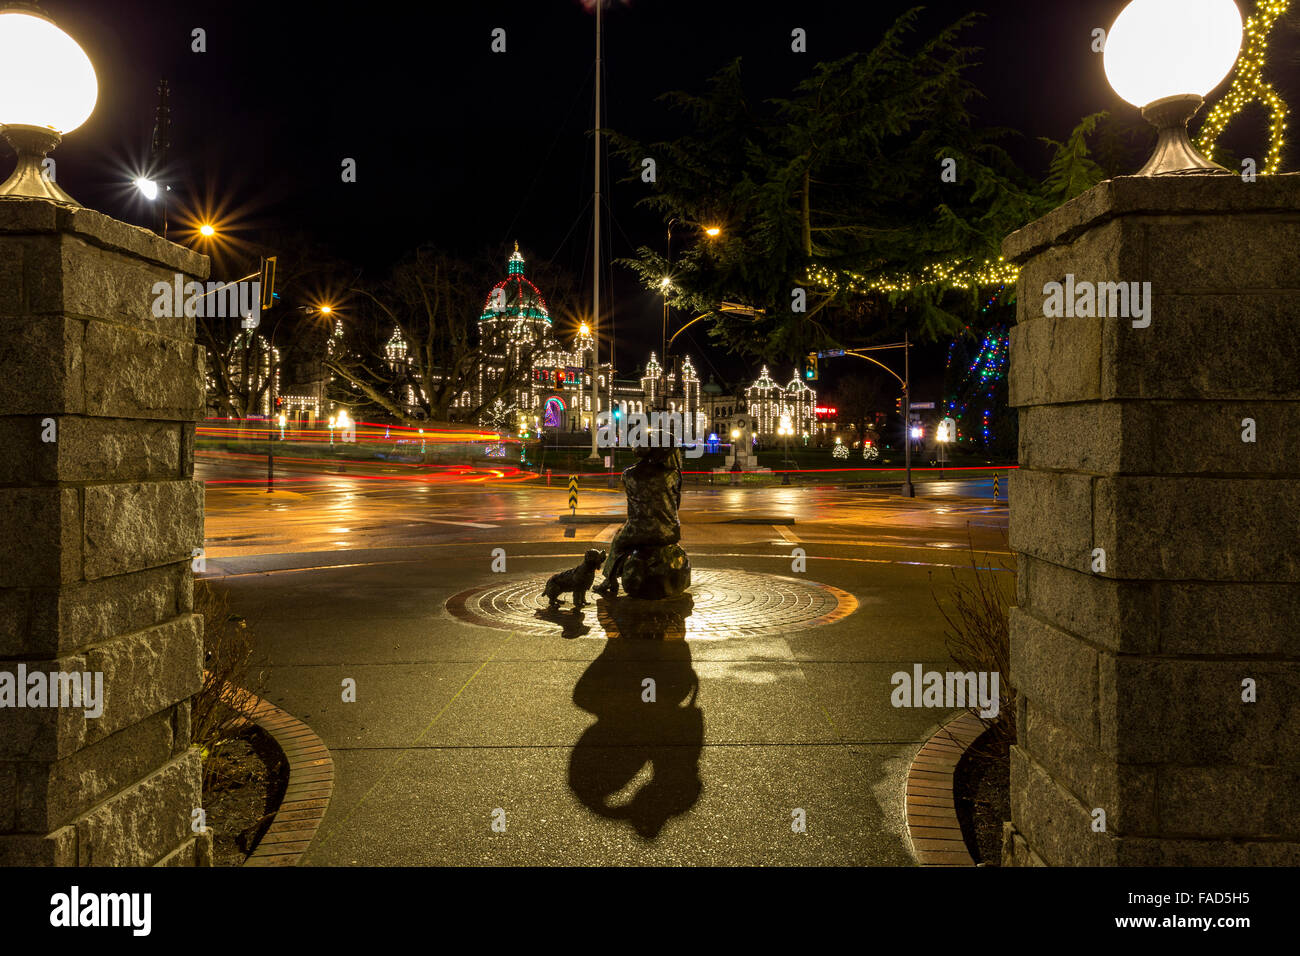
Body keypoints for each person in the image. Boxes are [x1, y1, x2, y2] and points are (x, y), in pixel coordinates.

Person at [593, 446, 682, 597]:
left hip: (638, 529)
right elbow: (676, 504)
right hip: (670, 530)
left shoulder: (628, 475)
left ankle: (609, 580)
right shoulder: (673, 475)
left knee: (618, 543)